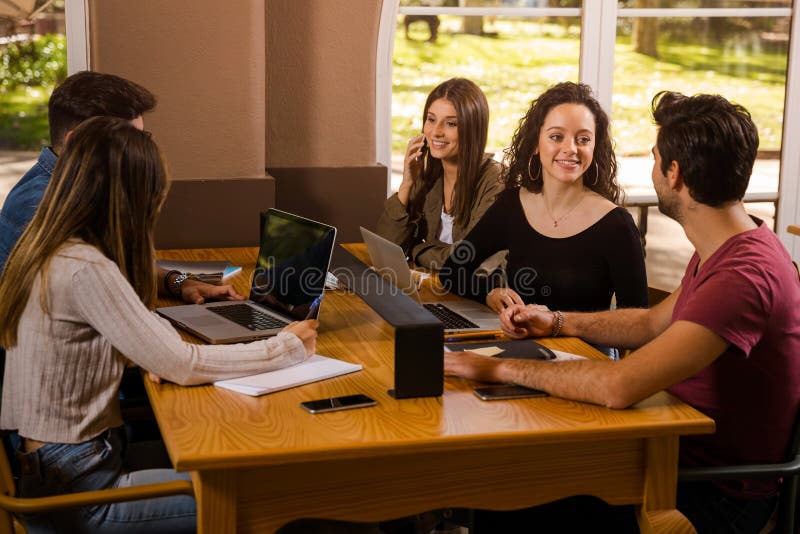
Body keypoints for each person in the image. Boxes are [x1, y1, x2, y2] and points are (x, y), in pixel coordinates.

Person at [445, 91, 800, 533]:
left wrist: (495, 370)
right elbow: (651, 321)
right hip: (663, 448)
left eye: (654, 159)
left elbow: (618, 384)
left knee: (512, 499)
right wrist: (556, 321)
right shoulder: (726, 249)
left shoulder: (743, 276)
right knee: (505, 480)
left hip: (704, 491)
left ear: (675, 174)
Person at [0, 116, 319, 533]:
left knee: (238, 460)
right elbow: (181, 365)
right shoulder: (84, 268)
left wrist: (159, 343)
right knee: (276, 499)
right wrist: (287, 345)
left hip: (57, 464)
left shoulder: (48, 244)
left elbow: (153, 346)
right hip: (82, 494)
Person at [440, 82, 647, 326]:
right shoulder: (511, 206)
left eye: (583, 139)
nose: (570, 149)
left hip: (586, 357)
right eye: (556, 136)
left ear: (595, 146)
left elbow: (638, 325)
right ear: (536, 144)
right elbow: (452, 272)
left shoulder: (616, 225)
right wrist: (488, 293)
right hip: (519, 345)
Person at [376, 77, 503, 270]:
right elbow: (386, 251)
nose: (436, 131)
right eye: (431, 119)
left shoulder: (495, 181)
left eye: (451, 124)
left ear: (472, 129)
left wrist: (416, 250)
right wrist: (406, 185)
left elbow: (469, 259)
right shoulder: (429, 176)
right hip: (435, 289)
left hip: (479, 297)